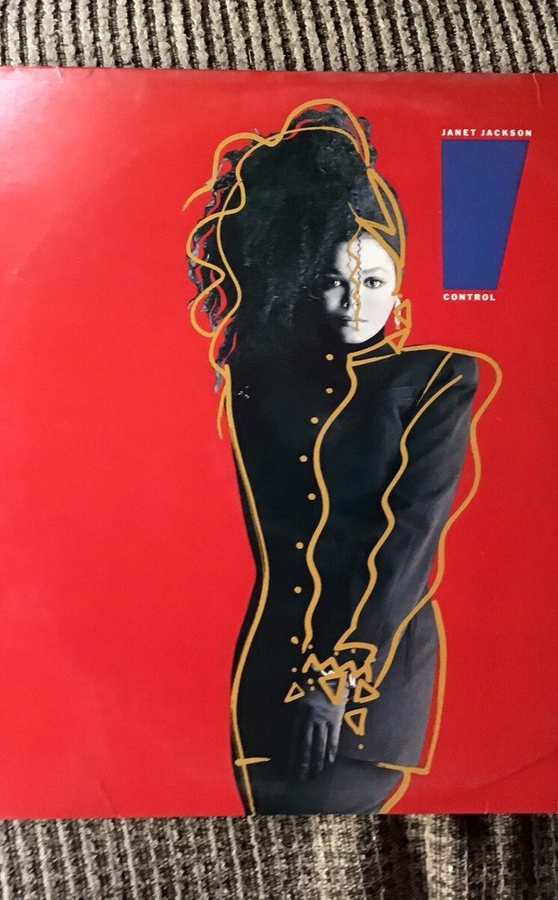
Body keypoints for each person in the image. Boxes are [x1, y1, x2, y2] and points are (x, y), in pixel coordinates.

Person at [185, 100, 499, 814]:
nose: (357, 301)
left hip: (370, 685)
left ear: (400, 288)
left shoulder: (439, 376)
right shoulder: (255, 381)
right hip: (265, 675)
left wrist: (336, 678)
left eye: (375, 282)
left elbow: (410, 539)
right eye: (333, 280)